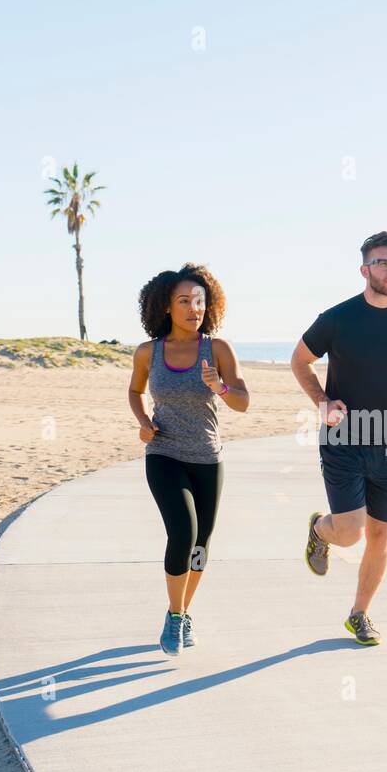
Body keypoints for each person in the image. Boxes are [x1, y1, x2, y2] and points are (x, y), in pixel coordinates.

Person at [290, 231, 387, 645]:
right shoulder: (338, 318)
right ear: (365, 269)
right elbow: (300, 360)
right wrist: (322, 401)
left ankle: (359, 614)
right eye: (384, 263)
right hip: (344, 439)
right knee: (351, 531)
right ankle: (321, 531)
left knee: (381, 533)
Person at [128, 263, 249, 655]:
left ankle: (178, 610)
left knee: (201, 544)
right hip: (164, 453)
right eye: (184, 301)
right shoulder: (149, 352)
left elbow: (243, 403)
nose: (193, 308)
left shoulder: (218, 349)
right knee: (183, 531)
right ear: (166, 306)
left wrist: (221, 385)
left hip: (207, 458)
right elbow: (135, 391)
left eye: (199, 300)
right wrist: (144, 421)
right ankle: (177, 620)